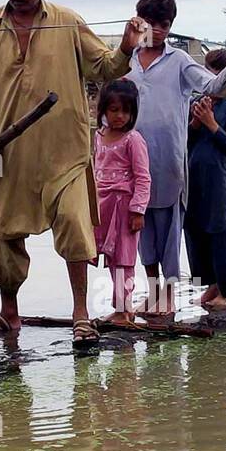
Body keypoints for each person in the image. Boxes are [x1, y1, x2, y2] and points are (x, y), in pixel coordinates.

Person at [0, 0, 150, 346]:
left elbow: (106, 68)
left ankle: (82, 315)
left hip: (66, 152)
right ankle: (9, 314)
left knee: (77, 231)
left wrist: (128, 46)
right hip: (5, 154)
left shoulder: (67, 21)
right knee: (3, 232)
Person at [126, 0, 226, 320]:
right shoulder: (126, 60)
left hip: (169, 164)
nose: (155, 30)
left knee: (169, 235)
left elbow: (212, 87)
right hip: (134, 165)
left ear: (170, 27)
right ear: (137, 21)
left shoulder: (179, 60)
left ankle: (167, 297)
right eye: (148, 22)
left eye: (163, 24)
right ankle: (152, 293)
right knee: (142, 234)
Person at [184, 49, 226, 309]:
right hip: (192, 178)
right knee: (194, 230)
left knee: (220, 232)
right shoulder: (192, 106)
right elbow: (182, 142)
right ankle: (209, 285)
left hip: (219, 180)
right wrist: (195, 125)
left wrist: (211, 125)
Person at [91, 79, 151, 326]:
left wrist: (138, 210)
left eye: (125, 111)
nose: (120, 116)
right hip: (101, 206)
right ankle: (121, 308)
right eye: (114, 110)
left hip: (124, 206)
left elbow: (143, 177)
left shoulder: (133, 140)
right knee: (109, 256)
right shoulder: (98, 136)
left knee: (124, 259)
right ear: (104, 110)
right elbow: (93, 169)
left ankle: (124, 310)